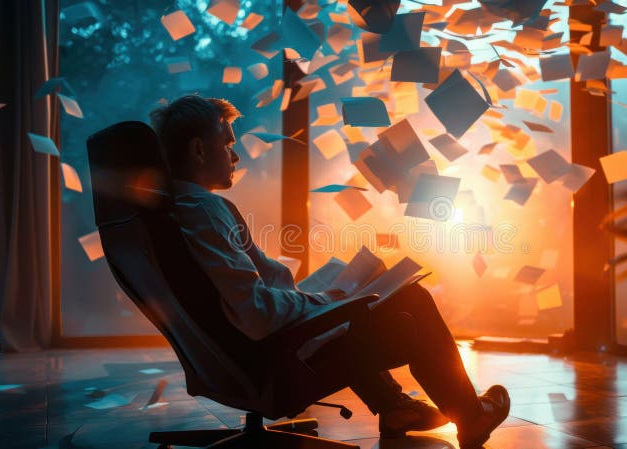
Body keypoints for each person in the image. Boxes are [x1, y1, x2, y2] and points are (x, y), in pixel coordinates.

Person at [149, 94, 510, 448]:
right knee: (411, 301)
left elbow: (252, 290)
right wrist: (325, 300)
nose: (236, 155)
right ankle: (471, 416)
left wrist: (323, 295)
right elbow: (257, 314)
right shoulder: (206, 211)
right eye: (227, 144)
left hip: (230, 358)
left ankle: (394, 407)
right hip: (271, 361)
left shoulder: (173, 211)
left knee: (359, 295)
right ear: (198, 151)